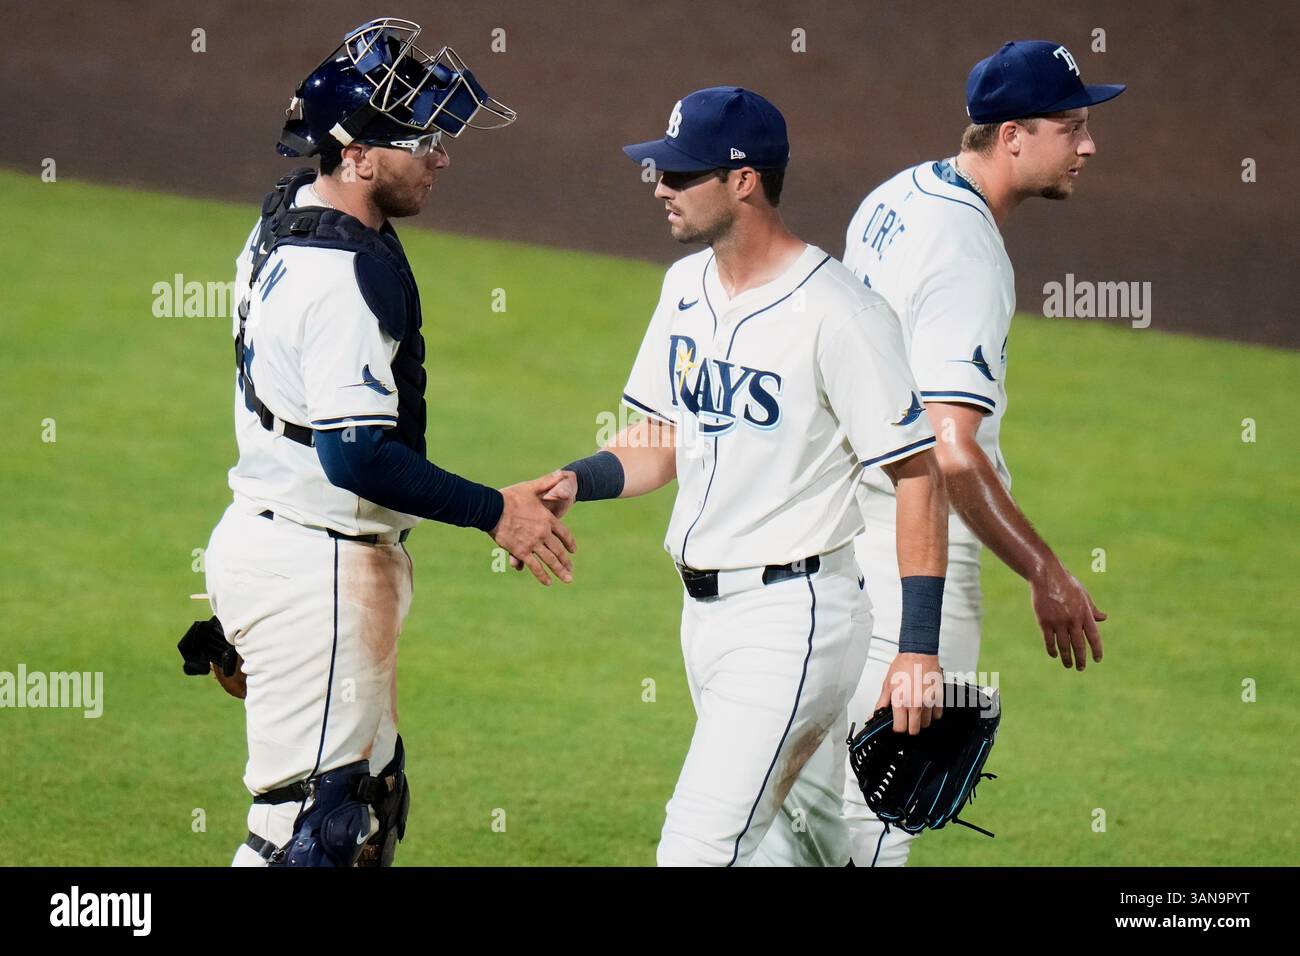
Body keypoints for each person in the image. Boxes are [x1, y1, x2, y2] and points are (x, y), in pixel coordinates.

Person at [534, 87, 949, 866]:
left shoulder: (841, 314)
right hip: (705, 621)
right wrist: (575, 480)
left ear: (744, 181)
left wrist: (919, 650)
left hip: (795, 621)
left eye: (680, 175)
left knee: (698, 849)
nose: (660, 186)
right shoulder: (684, 288)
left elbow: (919, 475)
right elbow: (660, 439)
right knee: (811, 845)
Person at [201, 18, 574, 867]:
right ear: (360, 155)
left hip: (281, 541)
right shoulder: (338, 280)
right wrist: (496, 513)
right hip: (315, 571)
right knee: (309, 833)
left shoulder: (289, 212)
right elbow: (356, 457)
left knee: (366, 810)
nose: (441, 157)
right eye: (423, 140)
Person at [839, 39, 1123, 867]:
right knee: (883, 814)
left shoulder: (898, 192)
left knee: (826, 791)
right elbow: (955, 452)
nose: (1089, 145)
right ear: (1011, 137)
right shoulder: (967, 253)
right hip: (919, 547)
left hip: (842, 531)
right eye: (1071, 127)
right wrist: (1046, 571)